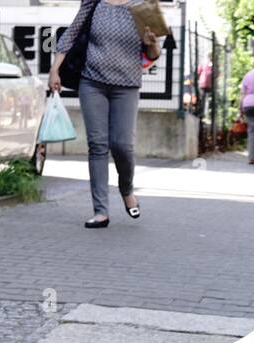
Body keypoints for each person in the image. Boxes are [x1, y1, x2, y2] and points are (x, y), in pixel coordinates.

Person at [50, 0, 161, 228]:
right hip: (92, 83)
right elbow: (71, 34)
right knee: (97, 145)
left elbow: (153, 53)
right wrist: (54, 70)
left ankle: (127, 190)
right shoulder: (94, 2)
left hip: (127, 86)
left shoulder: (142, 6)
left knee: (122, 145)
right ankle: (101, 211)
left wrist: (152, 44)